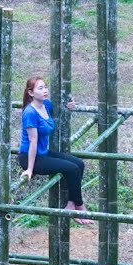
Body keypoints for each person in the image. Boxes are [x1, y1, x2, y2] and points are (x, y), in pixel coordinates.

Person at [17, 76, 93, 226]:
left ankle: (71, 204)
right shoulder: (30, 113)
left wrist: (69, 105)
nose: (45, 91)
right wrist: (29, 169)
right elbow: (32, 142)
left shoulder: (46, 105)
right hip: (29, 157)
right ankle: (80, 207)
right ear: (31, 93)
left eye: (45, 87)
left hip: (43, 153)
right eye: (40, 88)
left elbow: (61, 105)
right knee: (71, 169)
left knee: (79, 164)